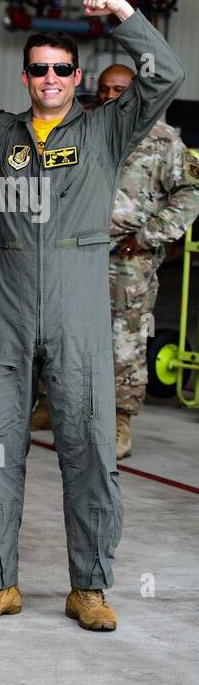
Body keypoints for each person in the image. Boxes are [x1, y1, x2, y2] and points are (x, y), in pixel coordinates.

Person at [0, 0, 184, 631]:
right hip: (8, 307)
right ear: (25, 75)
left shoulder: (107, 127)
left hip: (78, 307)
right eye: (39, 68)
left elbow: (166, 73)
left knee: (88, 450)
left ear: (76, 77)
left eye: (62, 68)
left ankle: (90, 587)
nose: (50, 78)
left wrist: (122, 16)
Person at [97, 64, 199, 458]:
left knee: (124, 339)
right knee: (68, 334)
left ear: (135, 92)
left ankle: (120, 421)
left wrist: (148, 236)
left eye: (118, 89)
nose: (109, 95)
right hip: (80, 252)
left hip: (130, 257)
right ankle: (54, 407)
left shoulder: (162, 140)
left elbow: (191, 193)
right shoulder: (89, 129)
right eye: (104, 88)